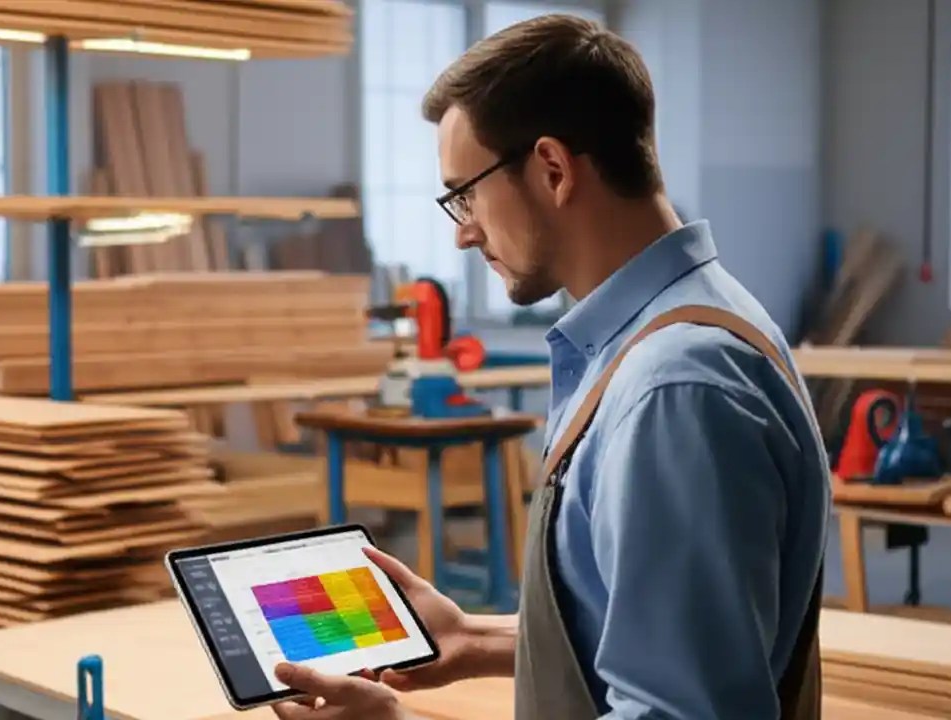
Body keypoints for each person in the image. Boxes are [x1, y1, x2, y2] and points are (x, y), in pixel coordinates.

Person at [271, 14, 830, 720]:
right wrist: (472, 637)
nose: (465, 230)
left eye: (465, 194)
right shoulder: (693, 321)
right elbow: (667, 633)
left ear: (554, 170)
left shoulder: (672, 387)